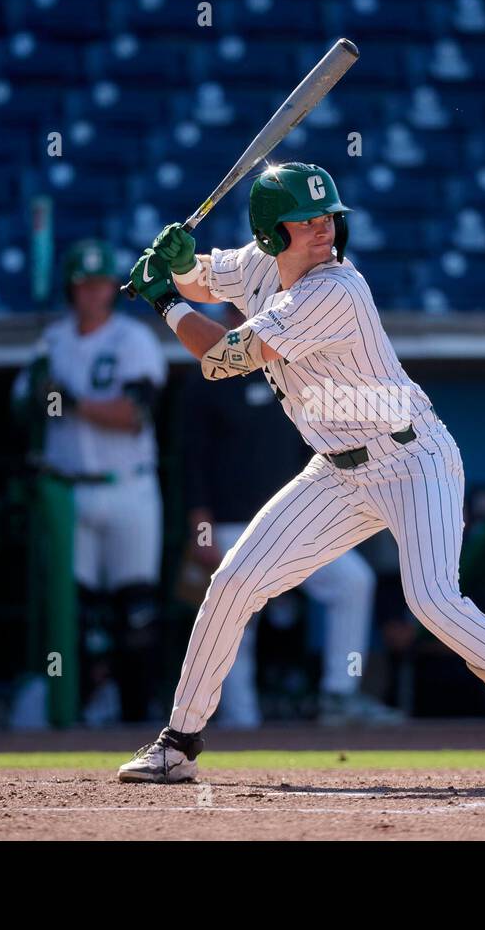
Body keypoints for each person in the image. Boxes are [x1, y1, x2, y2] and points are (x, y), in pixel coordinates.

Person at [116, 161, 485, 785]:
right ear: (272, 234)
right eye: (307, 221)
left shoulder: (336, 290)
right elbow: (206, 280)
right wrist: (179, 263)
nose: (324, 230)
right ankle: (178, 742)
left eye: (330, 218)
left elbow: (221, 359)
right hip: (337, 471)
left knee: (431, 599)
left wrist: (161, 296)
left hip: (413, 457)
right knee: (233, 582)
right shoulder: (258, 264)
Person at [182, 306, 401, 728]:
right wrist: (200, 528)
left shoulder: (295, 363)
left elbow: (319, 447)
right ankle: (236, 719)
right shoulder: (207, 375)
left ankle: (339, 695)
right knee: (234, 609)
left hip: (294, 517)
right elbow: (192, 459)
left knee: (353, 580)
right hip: (230, 521)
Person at [14, 239, 168, 725]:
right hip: (70, 489)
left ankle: (138, 717)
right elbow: (21, 409)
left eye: (102, 284)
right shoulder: (51, 341)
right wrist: (41, 395)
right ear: (71, 289)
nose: (93, 294)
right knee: (76, 612)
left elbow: (133, 415)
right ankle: (74, 719)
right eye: (84, 285)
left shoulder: (132, 340)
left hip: (129, 486)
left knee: (136, 613)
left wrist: (69, 400)